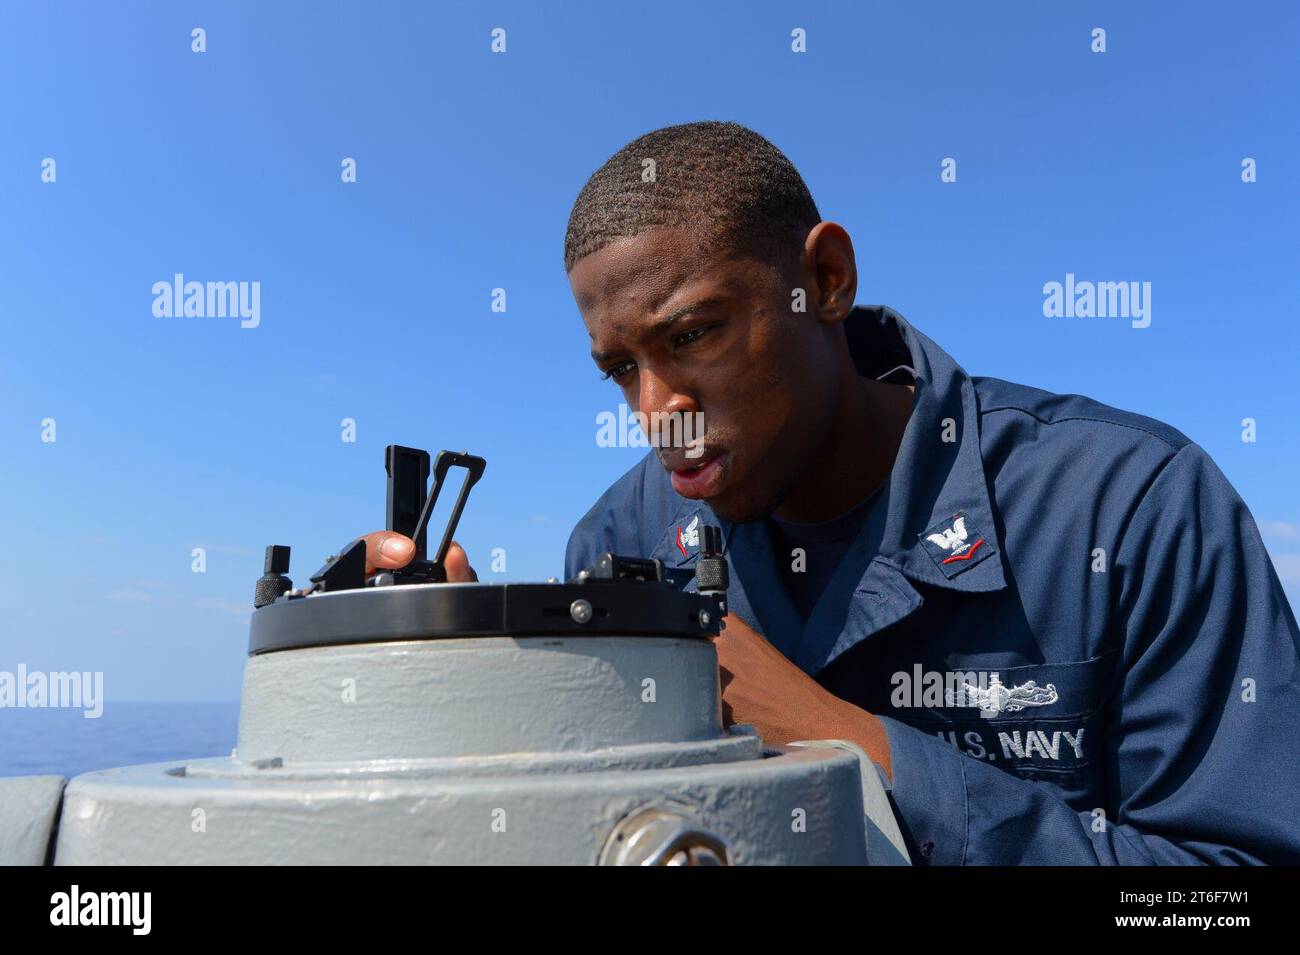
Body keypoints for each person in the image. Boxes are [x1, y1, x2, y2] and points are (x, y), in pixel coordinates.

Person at [356, 121, 1300, 865]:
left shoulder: (1131, 508)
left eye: (692, 336)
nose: (657, 413)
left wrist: (857, 754)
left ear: (825, 279)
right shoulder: (616, 537)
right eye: (620, 372)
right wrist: (477, 687)